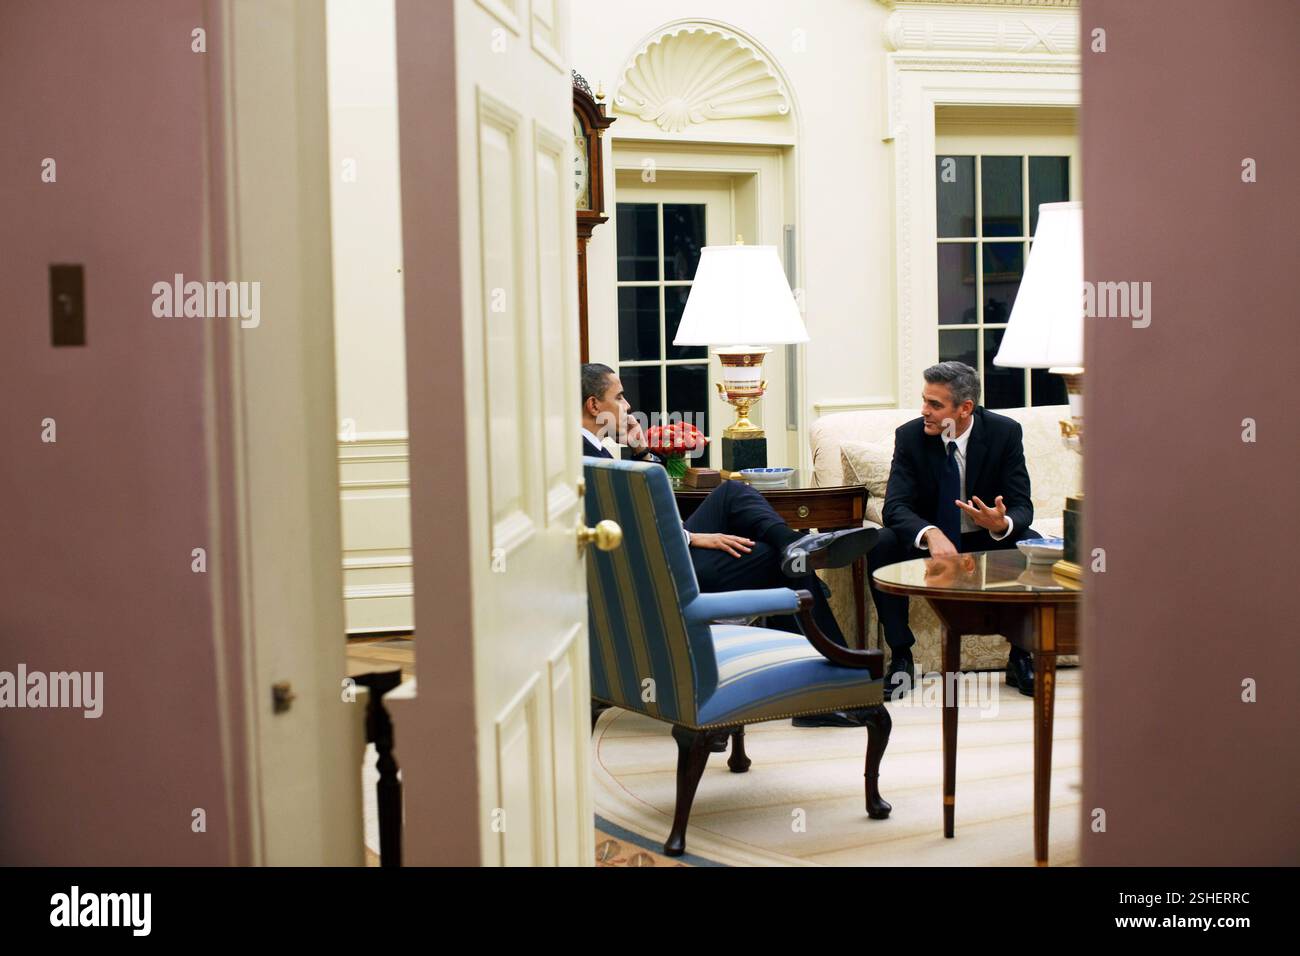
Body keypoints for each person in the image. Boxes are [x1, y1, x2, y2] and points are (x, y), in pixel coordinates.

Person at [581, 363, 878, 727]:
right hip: (665, 571)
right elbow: (632, 534)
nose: (628, 406)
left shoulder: (588, 452)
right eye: (620, 397)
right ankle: (829, 692)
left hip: (667, 549)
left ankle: (795, 545)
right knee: (776, 562)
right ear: (594, 405)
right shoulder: (593, 461)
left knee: (732, 492)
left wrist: (642, 451)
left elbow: (646, 519)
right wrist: (691, 537)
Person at [867, 361, 1042, 700]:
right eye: (924, 401)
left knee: (1030, 543)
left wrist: (1000, 523)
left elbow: (1023, 507)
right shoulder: (910, 437)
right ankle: (901, 655)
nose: (924, 411)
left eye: (935, 405)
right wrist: (931, 532)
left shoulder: (1004, 432)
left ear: (964, 409)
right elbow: (895, 508)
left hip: (982, 539)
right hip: (931, 543)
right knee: (882, 542)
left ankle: (1020, 655)